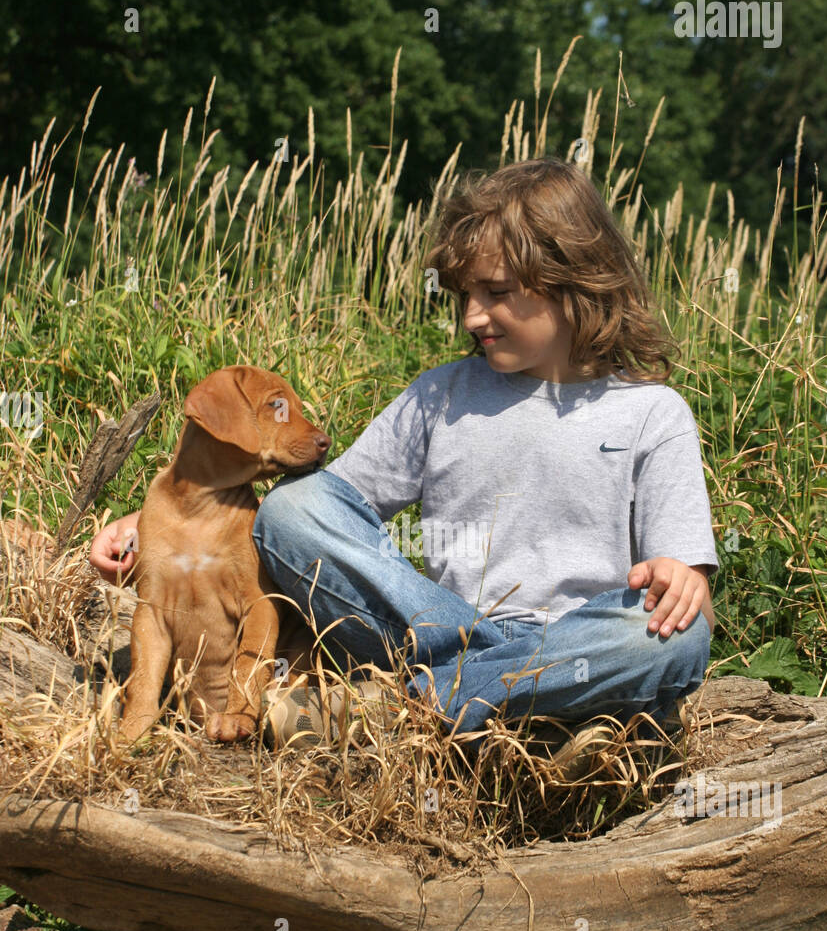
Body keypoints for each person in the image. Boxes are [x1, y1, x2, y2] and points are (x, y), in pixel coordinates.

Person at [90, 157, 717, 756]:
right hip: (436, 631)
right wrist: (161, 529)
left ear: (573, 278)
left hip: (582, 642)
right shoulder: (441, 395)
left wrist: (681, 579)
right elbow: (313, 517)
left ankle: (416, 705)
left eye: (495, 291)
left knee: (671, 637)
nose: (472, 314)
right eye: (464, 293)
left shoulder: (652, 415)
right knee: (289, 509)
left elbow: (691, 600)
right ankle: (521, 704)